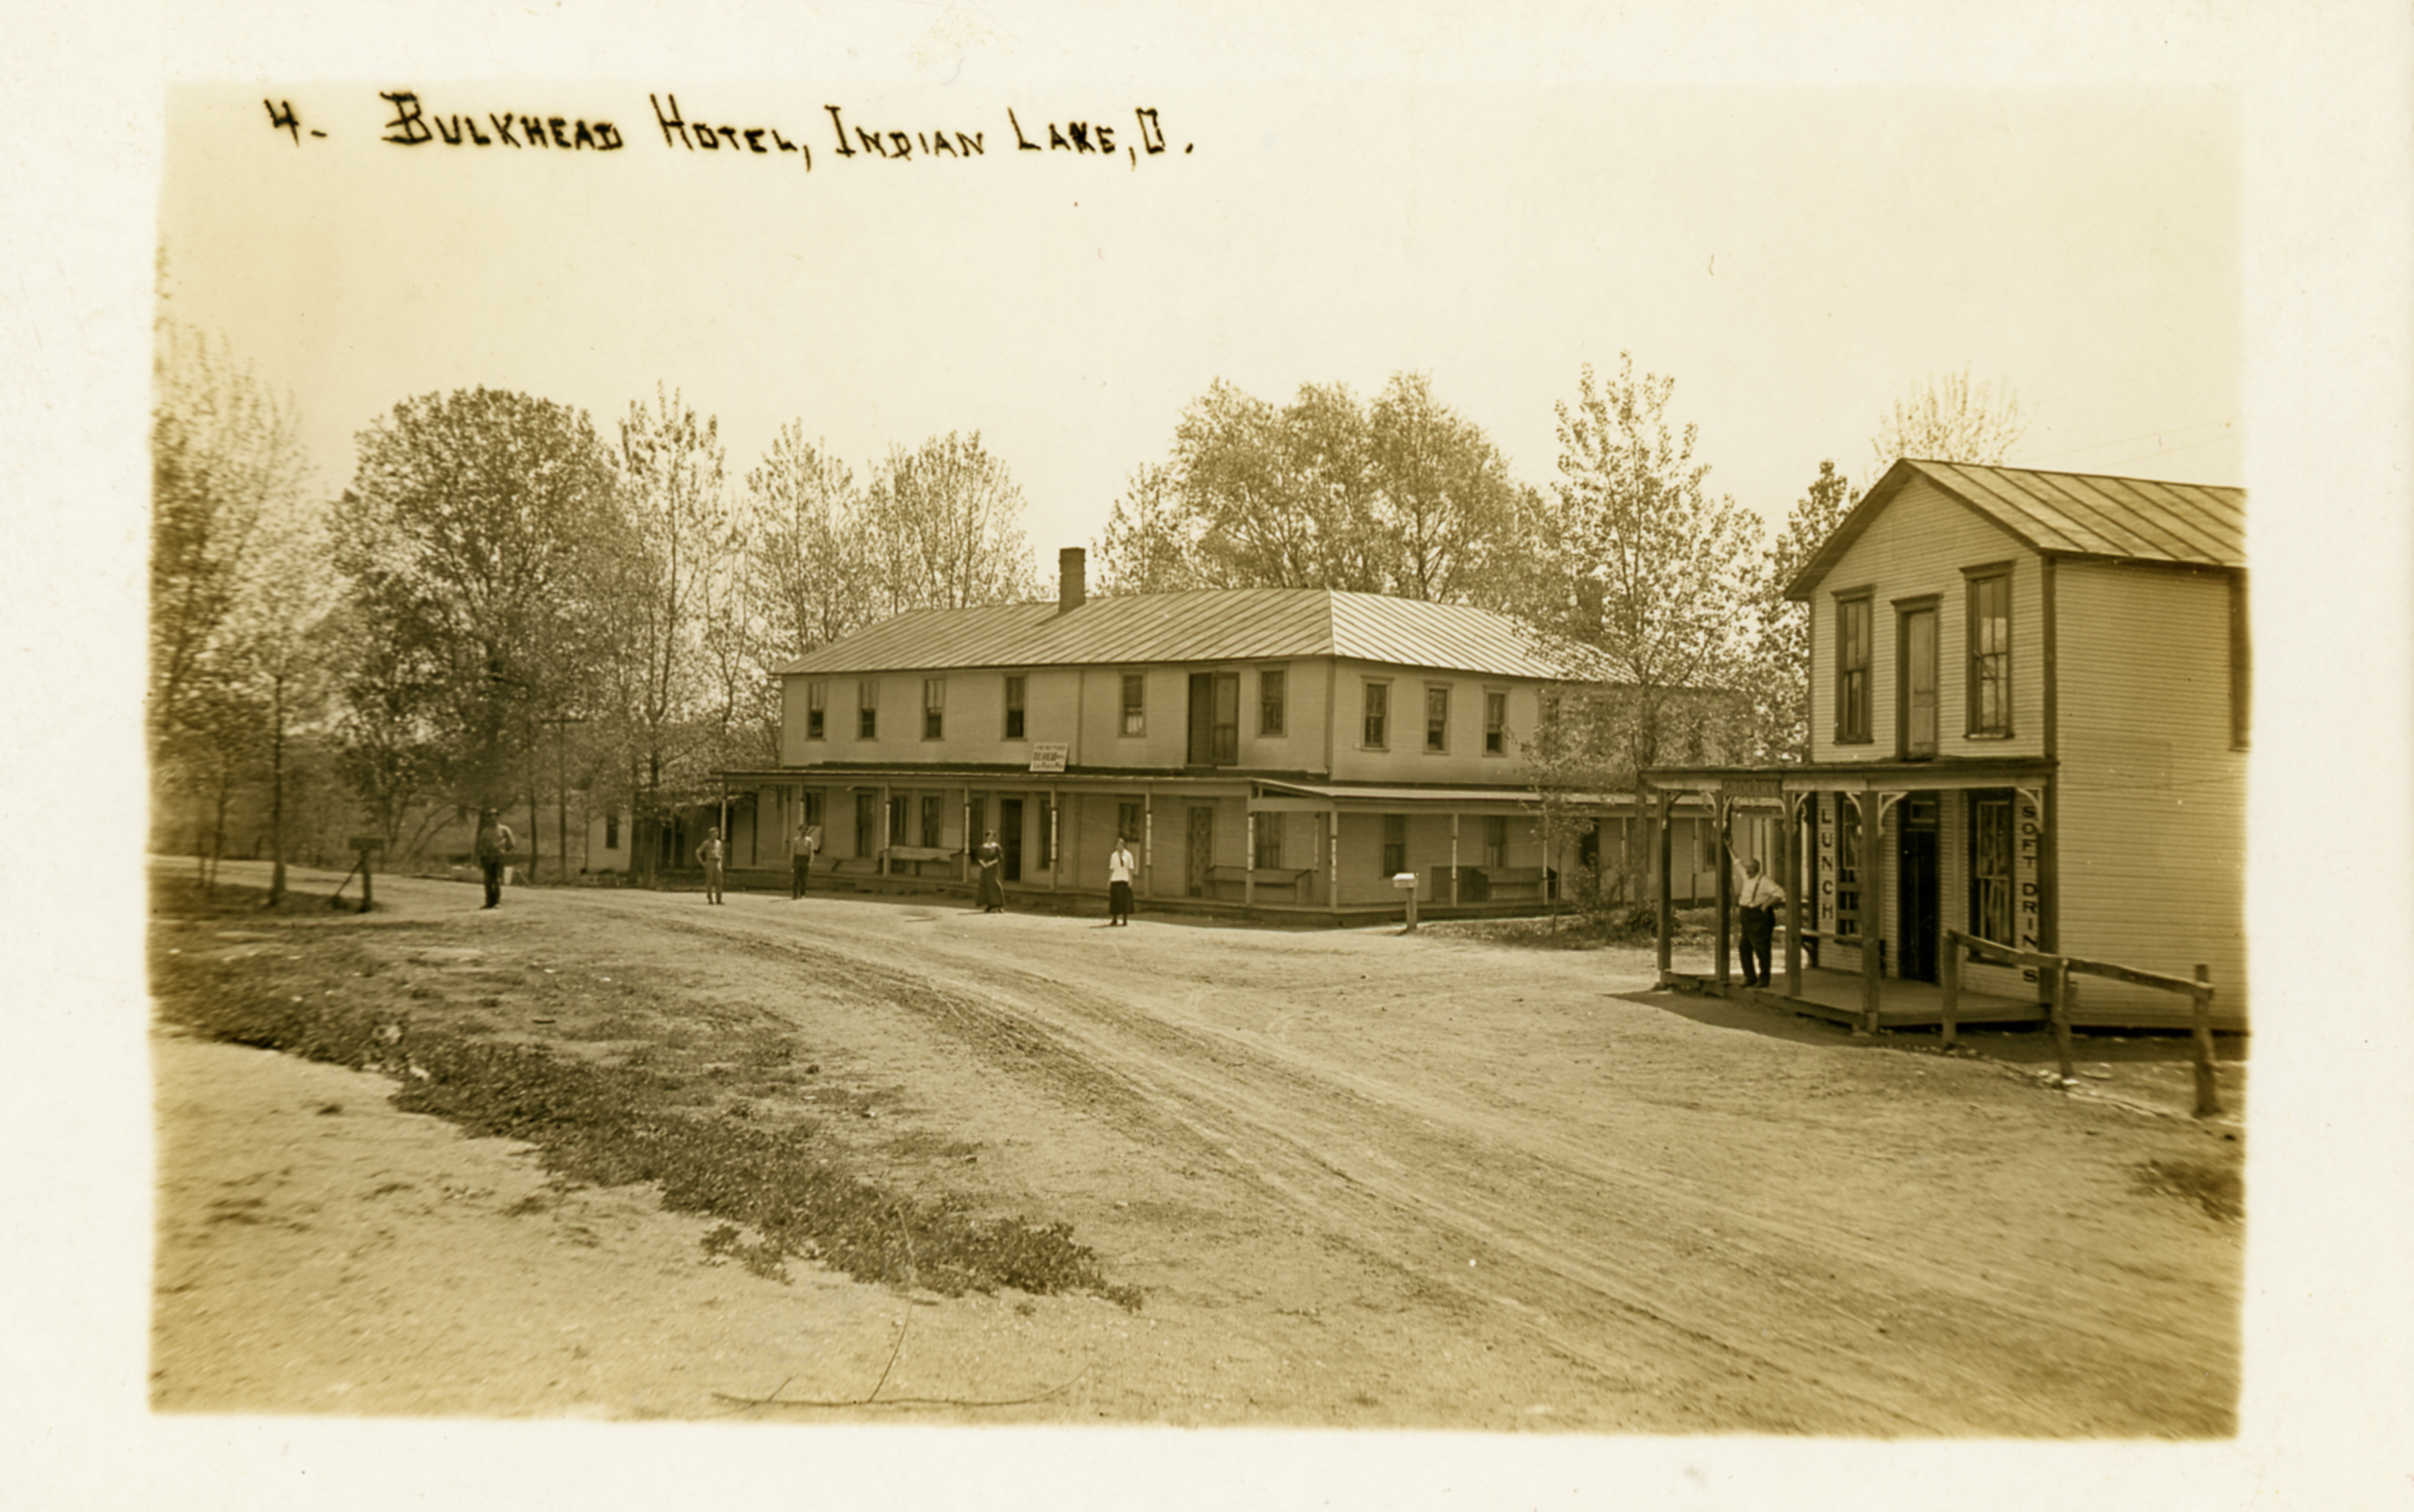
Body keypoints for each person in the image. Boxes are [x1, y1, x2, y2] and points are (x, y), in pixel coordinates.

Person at [1733, 853, 1786, 989]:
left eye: (1751, 868)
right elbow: (1737, 862)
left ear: (1757, 868)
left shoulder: (1764, 881)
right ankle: (1749, 977)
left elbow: (1780, 893)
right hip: (1747, 914)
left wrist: (1765, 905)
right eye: (1747, 867)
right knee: (1744, 947)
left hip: (1759, 916)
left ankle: (1764, 978)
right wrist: (1729, 846)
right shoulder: (1746, 877)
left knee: (1761, 948)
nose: (1748, 870)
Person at [473, 807, 515, 910]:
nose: (492, 819)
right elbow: (481, 846)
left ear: (497, 817)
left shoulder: (504, 830)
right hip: (487, 858)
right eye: (490, 817)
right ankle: (489, 902)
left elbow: (511, 843)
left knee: (497, 880)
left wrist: (503, 851)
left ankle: (496, 901)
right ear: (487, 819)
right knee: (488, 881)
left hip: (499, 858)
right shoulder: (485, 831)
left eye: (494, 816)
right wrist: (480, 858)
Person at [1106, 835, 1137, 926]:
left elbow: (1131, 869)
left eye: (1120, 845)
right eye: (1117, 845)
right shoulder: (1113, 855)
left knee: (1124, 901)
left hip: (1124, 880)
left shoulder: (1128, 855)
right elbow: (1111, 868)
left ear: (1123, 846)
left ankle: (1124, 920)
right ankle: (1114, 919)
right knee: (1115, 901)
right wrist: (1109, 880)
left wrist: (1130, 880)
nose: (1118, 847)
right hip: (1115, 879)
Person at [974, 830, 1005, 912]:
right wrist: (983, 864)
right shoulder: (983, 847)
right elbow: (979, 858)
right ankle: (989, 905)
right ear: (986, 837)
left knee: (995, 885)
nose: (991, 838)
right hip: (985, 869)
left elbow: (1000, 858)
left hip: (993, 868)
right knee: (986, 886)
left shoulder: (996, 847)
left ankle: (1000, 906)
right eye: (989, 836)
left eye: (992, 836)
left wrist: (991, 863)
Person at [697, 825, 726, 905]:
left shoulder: (719, 843)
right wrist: (702, 863)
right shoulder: (706, 843)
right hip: (710, 861)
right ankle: (710, 899)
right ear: (710, 834)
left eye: (717, 833)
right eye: (714, 833)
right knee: (709, 881)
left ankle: (719, 899)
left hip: (717, 862)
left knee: (719, 881)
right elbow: (698, 852)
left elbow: (721, 852)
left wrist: (721, 861)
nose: (715, 835)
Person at [790, 818, 819, 899]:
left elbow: (811, 851)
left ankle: (802, 894)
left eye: (805, 830)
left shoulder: (809, 840)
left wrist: (810, 861)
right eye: (802, 830)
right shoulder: (796, 840)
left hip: (805, 859)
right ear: (799, 830)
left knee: (804, 878)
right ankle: (794, 894)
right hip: (797, 859)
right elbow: (793, 851)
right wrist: (792, 861)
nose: (803, 832)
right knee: (795, 878)